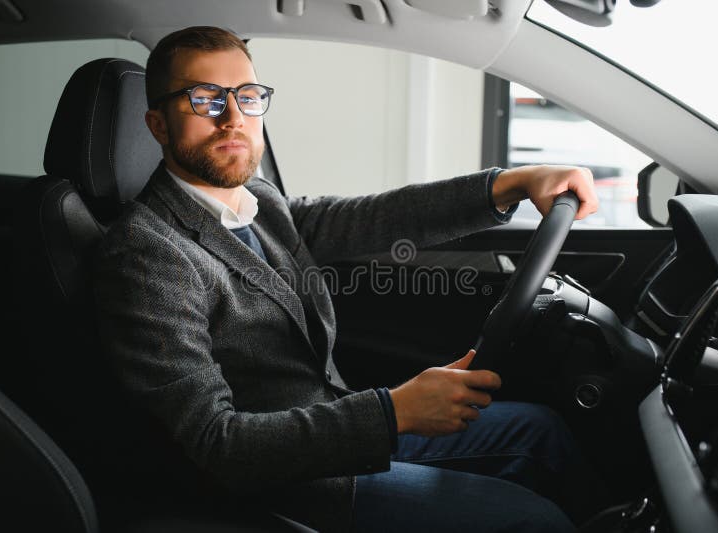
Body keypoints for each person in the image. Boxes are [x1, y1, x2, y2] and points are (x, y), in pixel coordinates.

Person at [92, 26, 601, 533]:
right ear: (158, 124)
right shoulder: (147, 254)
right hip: (290, 486)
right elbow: (217, 445)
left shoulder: (258, 201)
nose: (234, 119)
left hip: (332, 426)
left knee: (541, 432)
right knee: (536, 521)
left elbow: (378, 217)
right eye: (205, 99)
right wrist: (392, 413)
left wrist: (509, 183)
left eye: (248, 97)